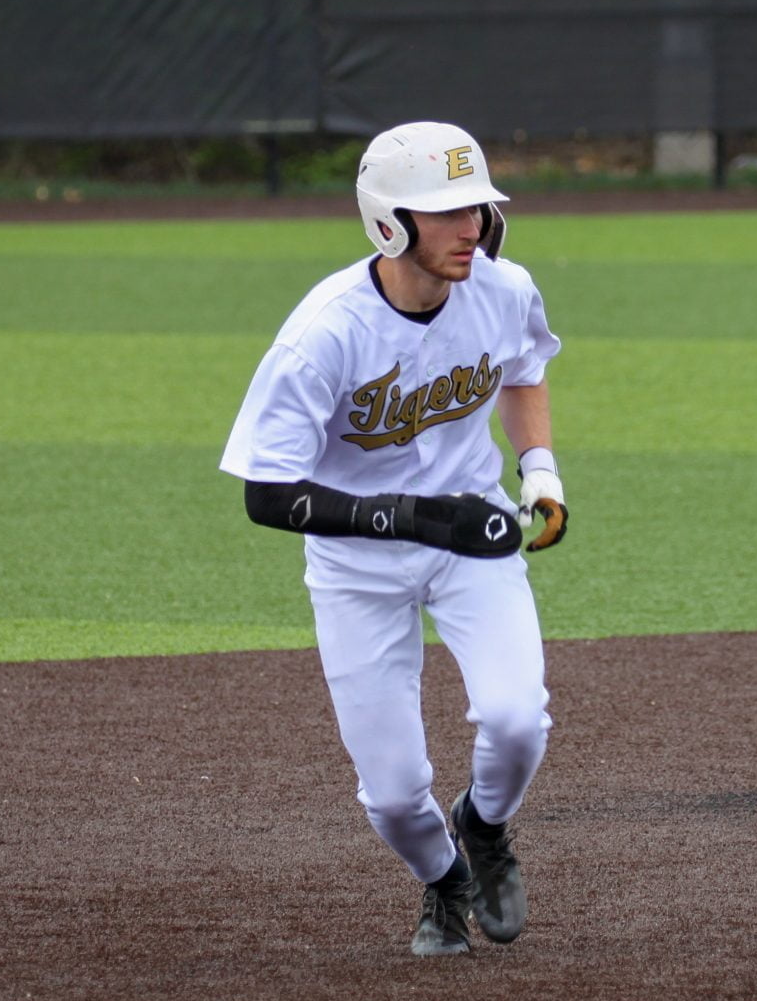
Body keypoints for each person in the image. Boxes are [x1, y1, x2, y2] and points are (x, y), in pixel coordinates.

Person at [220, 120, 568, 957]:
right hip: (355, 568)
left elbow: (524, 369)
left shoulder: (503, 287)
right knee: (393, 798)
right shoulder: (324, 334)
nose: (471, 228)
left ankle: (484, 826)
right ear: (388, 222)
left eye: (477, 207)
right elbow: (267, 492)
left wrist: (541, 472)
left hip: (473, 538)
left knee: (520, 720)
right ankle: (445, 878)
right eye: (444, 212)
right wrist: (411, 518)